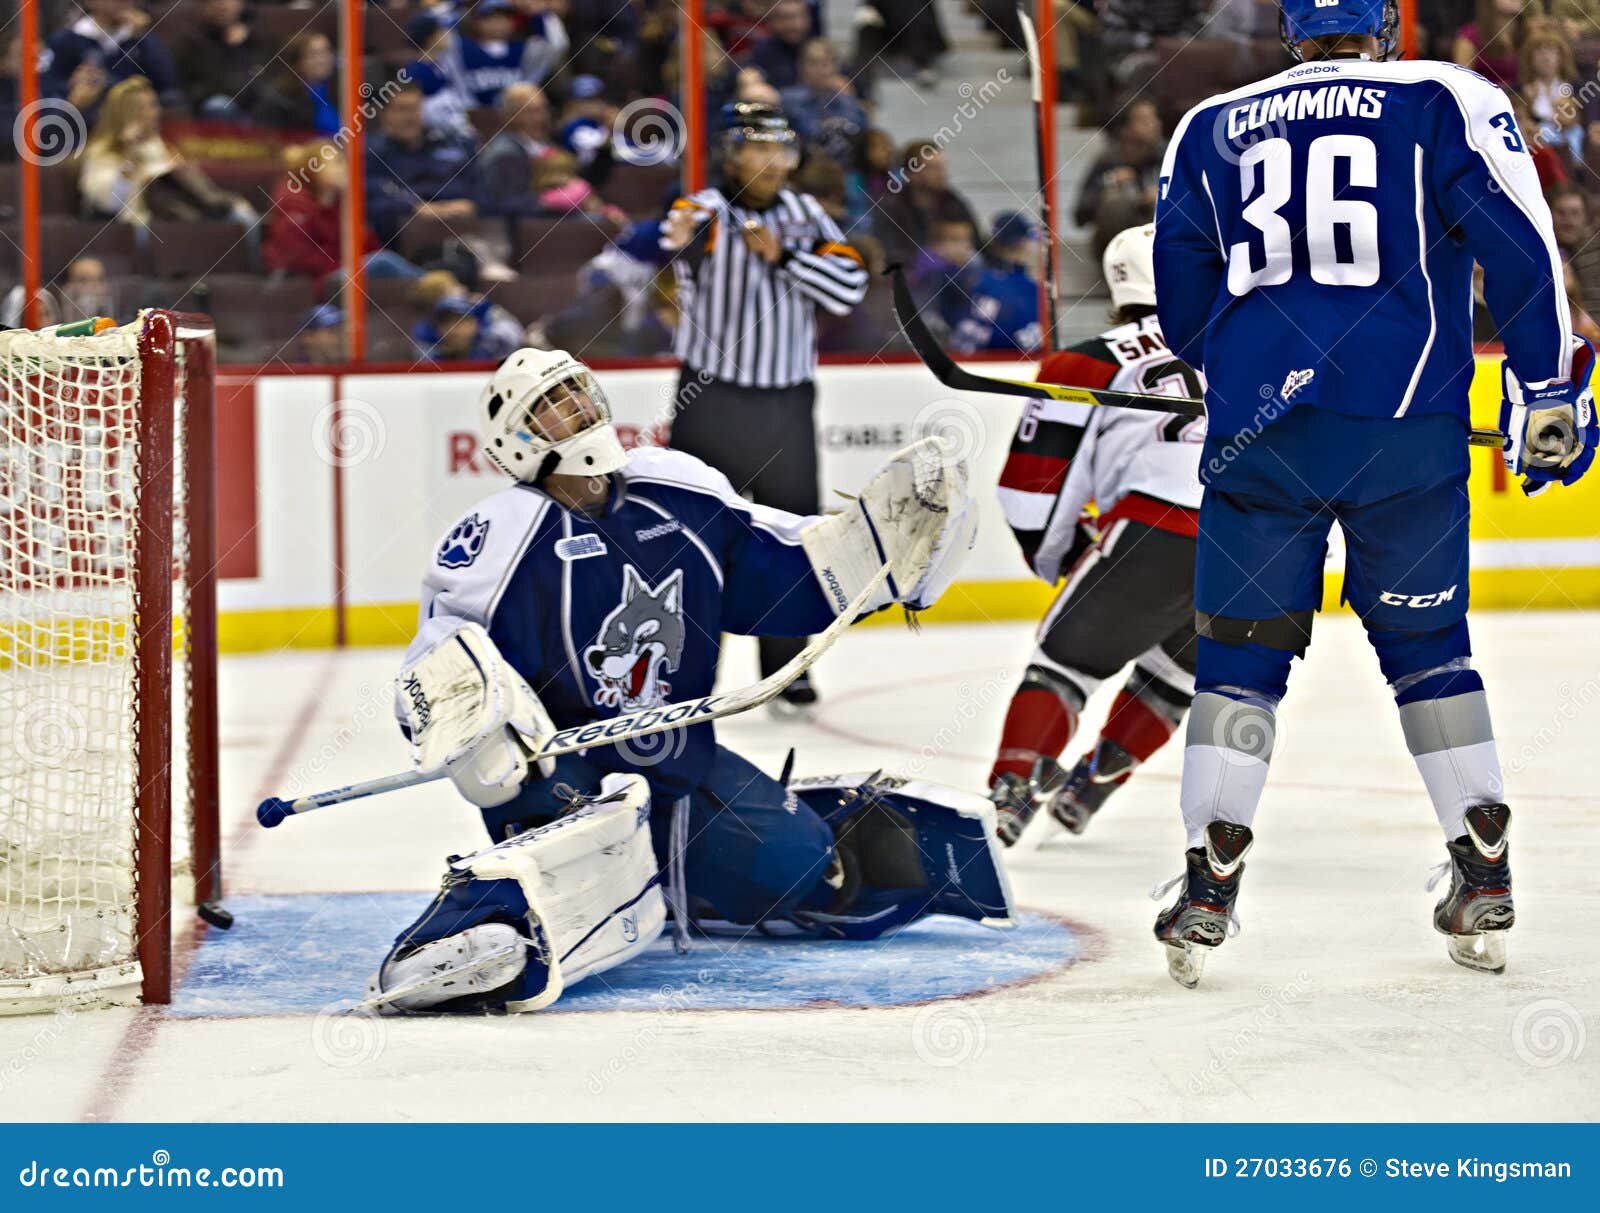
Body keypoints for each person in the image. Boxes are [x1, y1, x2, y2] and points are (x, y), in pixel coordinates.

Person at [1151, 0, 1596, 987]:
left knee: (1238, 659)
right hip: (1406, 429)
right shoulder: (1443, 95)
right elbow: (1520, 250)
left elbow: (1182, 311)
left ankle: (1210, 872)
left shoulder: (1209, 124)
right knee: (1430, 651)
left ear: (1288, 31)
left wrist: (1245, 372)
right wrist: (1548, 386)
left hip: (1260, 437)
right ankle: (1480, 857)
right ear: (1382, 29)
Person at [364, 348, 998, 1013]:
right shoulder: (494, 538)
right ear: (517, 443)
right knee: (587, 883)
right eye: (550, 405)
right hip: (565, 784)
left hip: (683, 767)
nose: (576, 407)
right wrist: (481, 730)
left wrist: (877, 554)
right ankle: (491, 910)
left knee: (802, 866)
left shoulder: (676, 486)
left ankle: (684, 879)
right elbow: (435, 669)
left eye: (577, 390)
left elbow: (783, 563)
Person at [985, 225, 1203, 845]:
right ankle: (1092, 785)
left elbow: (1029, 493)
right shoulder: (1250, 346)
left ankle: (1009, 798)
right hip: (1261, 545)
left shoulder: (1088, 361)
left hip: (1155, 532)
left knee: (1063, 667)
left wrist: (1064, 556)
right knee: (1178, 676)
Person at [661, 101, 868, 713]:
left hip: (784, 403)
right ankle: (683, 663)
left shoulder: (806, 215)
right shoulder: (700, 208)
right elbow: (681, 242)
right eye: (762, 148)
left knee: (792, 536)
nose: (777, 161)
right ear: (733, 154)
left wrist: (782, 257)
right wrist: (714, 239)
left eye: (784, 149)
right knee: (692, 536)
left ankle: (789, 669)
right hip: (711, 398)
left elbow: (849, 287)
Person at [77, 77, 255, 227]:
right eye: (145, 108)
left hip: (173, 226)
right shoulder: (101, 153)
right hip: (130, 232)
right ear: (126, 114)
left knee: (238, 216)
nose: (155, 113)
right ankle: (224, 208)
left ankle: (224, 208)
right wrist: (130, 157)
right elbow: (110, 205)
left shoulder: (155, 145)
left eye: (154, 106)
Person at [364, 83, 479, 245]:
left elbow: (472, 180)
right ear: (385, 114)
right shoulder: (371, 150)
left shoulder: (447, 142)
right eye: (402, 109)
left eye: (415, 109)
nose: (410, 117)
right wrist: (414, 206)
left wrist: (468, 201)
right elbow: (376, 190)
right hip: (403, 229)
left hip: (458, 221)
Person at [41, 0, 179, 120]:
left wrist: (142, 37)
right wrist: (72, 94)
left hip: (130, 116)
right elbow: (47, 85)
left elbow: (165, 81)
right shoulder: (67, 39)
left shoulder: (139, 40)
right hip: (84, 118)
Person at [1073, 96, 1164, 264]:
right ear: (1127, 128)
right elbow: (1080, 215)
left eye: (1155, 118)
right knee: (1117, 199)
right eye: (1145, 120)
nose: (1155, 124)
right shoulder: (1108, 160)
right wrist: (1109, 182)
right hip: (1115, 247)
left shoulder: (1167, 156)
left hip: (1156, 248)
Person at [875, 138, 981, 270]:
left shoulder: (952, 201)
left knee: (974, 260)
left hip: (954, 267)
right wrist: (934, 255)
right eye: (933, 168)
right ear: (912, 173)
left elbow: (977, 242)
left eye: (942, 167)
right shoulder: (890, 206)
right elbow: (889, 252)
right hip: (910, 274)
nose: (942, 174)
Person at [951, 211, 1043, 355]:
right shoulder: (1027, 290)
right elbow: (1034, 348)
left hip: (970, 364)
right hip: (1007, 368)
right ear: (1022, 243)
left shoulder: (976, 281)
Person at [171, 0, 265, 120]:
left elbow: (262, 81)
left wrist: (239, 47)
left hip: (251, 105)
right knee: (219, 105)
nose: (221, 4)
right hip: (208, 104)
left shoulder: (257, 39)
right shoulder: (191, 41)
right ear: (202, 6)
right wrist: (228, 47)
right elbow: (190, 87)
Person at [249, 31, 339, 134]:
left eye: (327, 51)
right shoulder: (279, 99)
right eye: (314, 54)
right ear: (297, 61)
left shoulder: (338, 89)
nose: (323, 59)